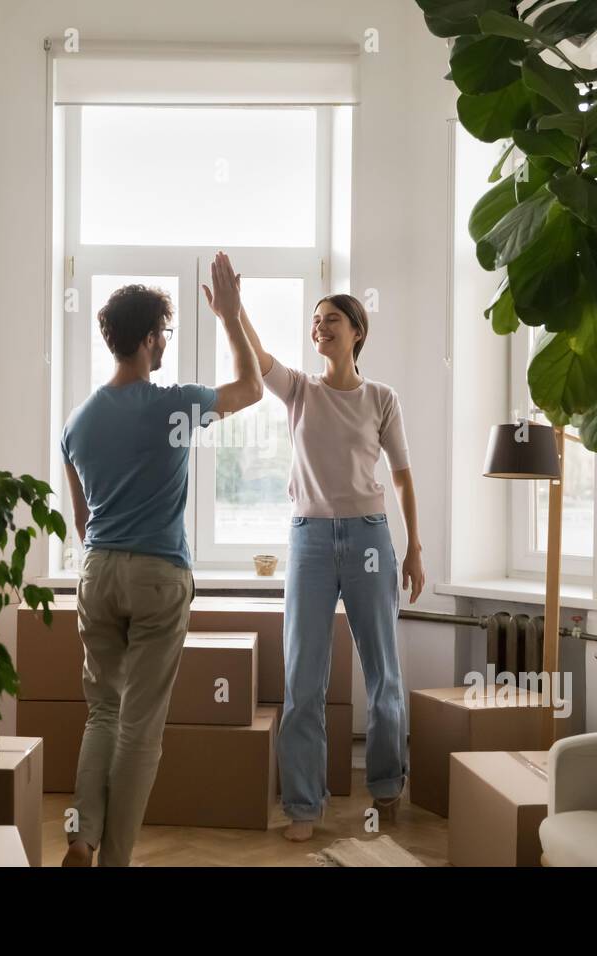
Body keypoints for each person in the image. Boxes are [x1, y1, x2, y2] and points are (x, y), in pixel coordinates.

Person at [60, 253, 261, 867]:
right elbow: (251, 387)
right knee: (139, 729)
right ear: (149, 340)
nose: (167, 343)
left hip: (96, 574)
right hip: (157, 576)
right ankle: (115, 858)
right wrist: (230, 316)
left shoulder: (79, 421)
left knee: (102, 711)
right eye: (165, 333)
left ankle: (81, 837)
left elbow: (81, 522)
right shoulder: (172, 406)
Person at [203, 286, 424, 842]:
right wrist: (233, 312)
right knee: (304, 676)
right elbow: (256, 356)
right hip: (309, 540)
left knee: (383, 673)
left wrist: (415, 546)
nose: (320, 327)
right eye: (315, 320)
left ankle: (387, 783)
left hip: (371, 536)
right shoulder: (299, 390)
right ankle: (305, 805)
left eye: (331, 320)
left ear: (357, 332)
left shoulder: (382, 398)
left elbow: (401, 475)